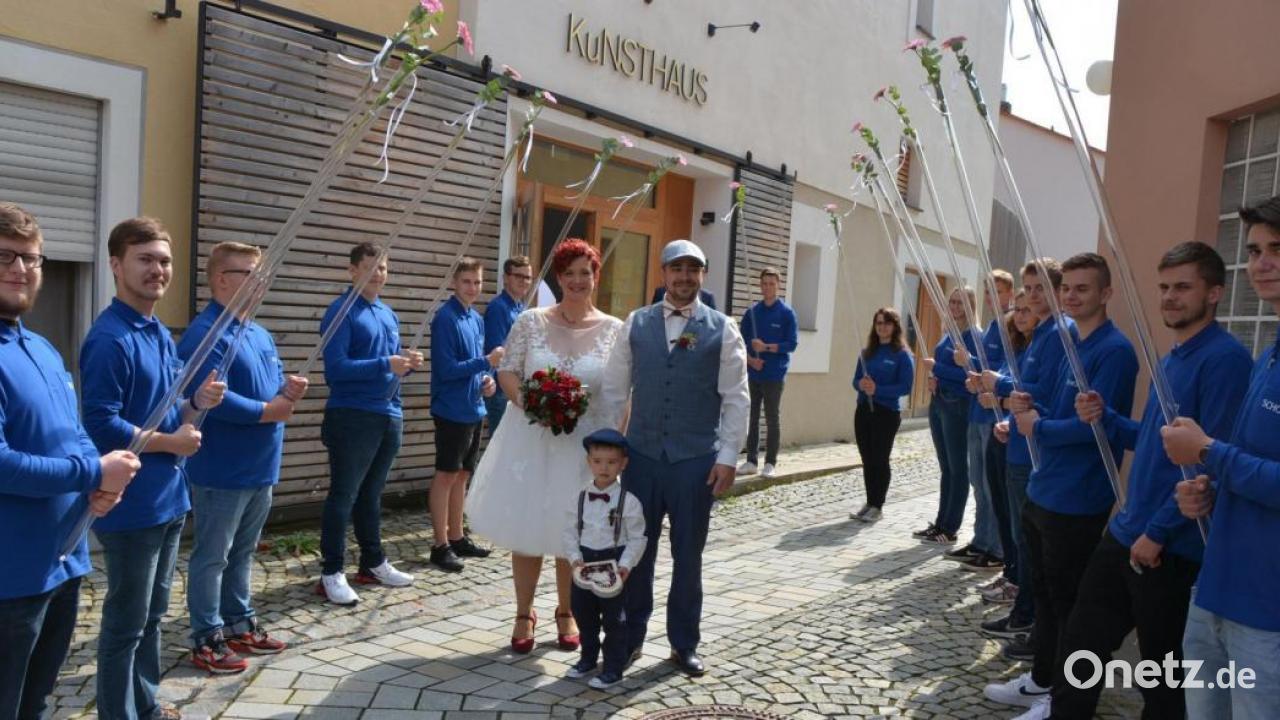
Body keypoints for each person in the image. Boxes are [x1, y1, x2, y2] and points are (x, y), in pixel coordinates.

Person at [1022, 243, 1254, 720]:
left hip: (1169, 547)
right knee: (1081, 650)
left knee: (1162, 678)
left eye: (1183, 287)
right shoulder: (1172, 357)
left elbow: (1207, 463)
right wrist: (1105, 417)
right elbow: (1149, 440)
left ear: (1214, 293)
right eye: (1165, 287)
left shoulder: (1225, 360)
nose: (1169, 297)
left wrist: (1158, 532)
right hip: (1128, 530)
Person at [0, 203, 141, 720]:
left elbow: (74, 431)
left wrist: (99, 480)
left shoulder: (41, 347)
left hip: (62, 562)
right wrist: (92, 473)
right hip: (9, 579)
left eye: (32, 259)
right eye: (6, 256)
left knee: (36, 701)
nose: (20, 269)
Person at [81, 217, 225, 720]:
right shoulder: (110, 338)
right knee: (126, 621)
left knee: (155, 614)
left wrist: (196, 402)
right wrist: (173, 442)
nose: (158, 270)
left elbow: (165, 409)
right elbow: (100, 424)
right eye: (145, 259)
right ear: (117, 265)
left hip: (168, 498)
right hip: (132, 505)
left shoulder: (159, 332)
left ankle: (145, 704)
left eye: (164, 260)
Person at [984, 253, 1138, 710]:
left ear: (1106, 294)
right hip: (1043, 486)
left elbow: (1097, 429)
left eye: (1082, 289)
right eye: (1066, 287)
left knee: (1072, 605)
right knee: (1047, 596)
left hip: (1077, 498)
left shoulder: (1114, 351)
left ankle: (1060, 696)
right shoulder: (1070, 340)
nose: (1070, 295)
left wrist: (1039, 426)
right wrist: (1024, 409)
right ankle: (1041, 677)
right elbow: (1051, 405)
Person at [601, 239, 750, 677]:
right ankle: (628, 640)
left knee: (688, 556)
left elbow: (736, 399)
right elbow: (614, 389)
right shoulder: (636, 323)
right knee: (634, 553)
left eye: (692, 269)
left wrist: (727, 457)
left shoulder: (722, 328)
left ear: (702, 274)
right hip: (642, 458)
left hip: (693, 462)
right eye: (676, 268)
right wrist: (612, 448)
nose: (684, 277)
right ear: (663, 274)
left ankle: (684, 643)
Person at [466, 239, 623, 654]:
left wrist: (616, 448)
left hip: (583, 445)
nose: (576, 281)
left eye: (584, 273)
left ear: (595, 277)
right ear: (558, 277)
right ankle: (523, 611)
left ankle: (566, 610)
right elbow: (508, 373)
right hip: (534, 438)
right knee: (529, 526)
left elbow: (621, 392)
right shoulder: (531, 322)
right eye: (568, 273)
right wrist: (535, 402)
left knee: (571, 528)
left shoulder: (614, 330)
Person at [1163, 197, 1280, 720]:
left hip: (1268, 610)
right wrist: (1207, 489)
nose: (1262, 263)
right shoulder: (1269, 352)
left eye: (1278, 249)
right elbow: (1247, 460)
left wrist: (1209, 450)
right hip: (1216, 588)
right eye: (1254, 250)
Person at [178, 242, 309, 674]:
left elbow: (270, 386)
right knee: (213, 555)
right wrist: (270, 410)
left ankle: (238, 622)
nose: (260, 283)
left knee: (244, 551)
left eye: (261, 274)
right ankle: (206, 636)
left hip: (260, 464)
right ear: (220, 280)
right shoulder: (204, 333)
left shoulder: (257, 331)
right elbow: (215, 398)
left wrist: (287, 391)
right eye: (249, 274)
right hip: (221, 467)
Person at [978, 260, 1073, 662]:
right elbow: (1028, 391)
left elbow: (1040, 392)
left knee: (1030, 544)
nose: (1032, 296)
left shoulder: (1057, 334)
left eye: (1040, 289)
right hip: (1019, 441)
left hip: (1034, 452)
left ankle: (1030, 617)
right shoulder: (1042, 333)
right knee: (1021, 537)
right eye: (1028, 288)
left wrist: (998, 386)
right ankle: (1026, 612)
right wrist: (1005, 408)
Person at [316, 242, 419, 605]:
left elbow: (389, 364)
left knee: (372, 495)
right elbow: (336, 369)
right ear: (352, 270)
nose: (379, 274)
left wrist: (404, 363)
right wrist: (385, 364)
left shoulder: (388, 314)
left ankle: (373, 562)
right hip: (352, 414)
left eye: (384, 268)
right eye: (372, 267)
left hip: (388, 413)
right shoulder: (341, 311)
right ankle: (331, 570)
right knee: (343, 494)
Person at [428, 257, 501, 573]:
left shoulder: (476, 319)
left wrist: (487, 381)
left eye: (478, 282)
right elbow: (446, 369)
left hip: (474, 406)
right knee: (446, 474)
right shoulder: (445, 318)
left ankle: (457, 537)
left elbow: (475, 365)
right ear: (454, 284)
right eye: (467, 281)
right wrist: (485, 362)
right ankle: (439, 544)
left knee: (463, 474)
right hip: (451, 409)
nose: (473, 287)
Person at [561, 429, 646, 690]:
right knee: (584, 615)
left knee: (614, 620)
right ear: (589, 462)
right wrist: (575, 559)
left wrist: (625, 565)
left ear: (623, 464)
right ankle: (587, 658)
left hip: (613, 563)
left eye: (611, 462)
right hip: (584, 564)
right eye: (598, 461)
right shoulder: (578, 498)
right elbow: (569, 532)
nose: (604, 468)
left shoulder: (629, 502)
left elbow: (638, 538)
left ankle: (613, 668)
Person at [950, 271, 1014, 571]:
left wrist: (973, 368)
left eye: (998, 291)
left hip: (995, 414)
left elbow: (1004, 368)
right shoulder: (990, 326)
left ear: (1010, 293)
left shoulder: (1012, 325)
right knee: (978, 481)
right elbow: (984, 368)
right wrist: (973, 374)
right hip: (978, 412)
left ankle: (998, 548)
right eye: (988, 291)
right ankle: (981, 540)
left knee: (991, 485)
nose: (992, 297)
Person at [977, 292, 1035, 622]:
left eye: (1028, 310)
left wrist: (998, 387)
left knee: (1019, 524)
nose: (1021, 315)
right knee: (1002, 510)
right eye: (1018, 309)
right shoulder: (1018, 346)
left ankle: (1017, 582)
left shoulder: (1039, 348)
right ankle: (1012, 573)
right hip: (1004, 434)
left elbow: (1023, 389)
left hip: (1023, 448)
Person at [914, 286, 981, 545]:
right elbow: (943, 370)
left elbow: (971, 374)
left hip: (957, 405)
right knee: (945, 468)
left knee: (957, 468)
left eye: (960, 303)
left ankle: (951, 526)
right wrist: (934, 377)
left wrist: (938, 369)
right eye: (951, 302)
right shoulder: (948, 333)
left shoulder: (974, 336)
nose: (954, 307)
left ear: (970, 306)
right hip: (939, 402)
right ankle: (940, 521)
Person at [850, 307, 915, 521]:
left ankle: (878, 505)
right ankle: (869, 502)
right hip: (863, 411)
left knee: (880, 458)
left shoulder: (902, 355)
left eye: (886, 323)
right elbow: (855, 381)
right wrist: (862, 384)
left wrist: (878, 390)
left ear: (894, 326)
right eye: (878, 323)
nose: (882, 327)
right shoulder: (866, 352)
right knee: (866, 458)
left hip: (886, 413)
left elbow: (905, 387)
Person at [737, 267, 798, 478]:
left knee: (772, 418)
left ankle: (770, 462)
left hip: (774, 375)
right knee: (751, 416)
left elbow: (792, 344)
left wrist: (767, 347)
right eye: (764, 283)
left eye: (772, 283)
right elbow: (740, 342)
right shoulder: (752, 313)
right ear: (760, 285)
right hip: (754, 373)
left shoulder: (787, 313)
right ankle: (751, 460)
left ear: (778, 286)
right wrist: (751, 360)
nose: (768, 287)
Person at [483, 256, 531, 435]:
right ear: (505, 278)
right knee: (501, 443)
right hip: (501, 390)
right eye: (518, 276)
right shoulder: (499, 308)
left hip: (517, 386)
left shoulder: (521, 308)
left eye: (527, 277)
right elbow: (497, 353)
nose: (523, 281)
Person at [651, 284, 716, 310]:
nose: (684, 276)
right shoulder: (660, 292)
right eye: (677, 270)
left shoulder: (707, 296)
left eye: (693, 270)